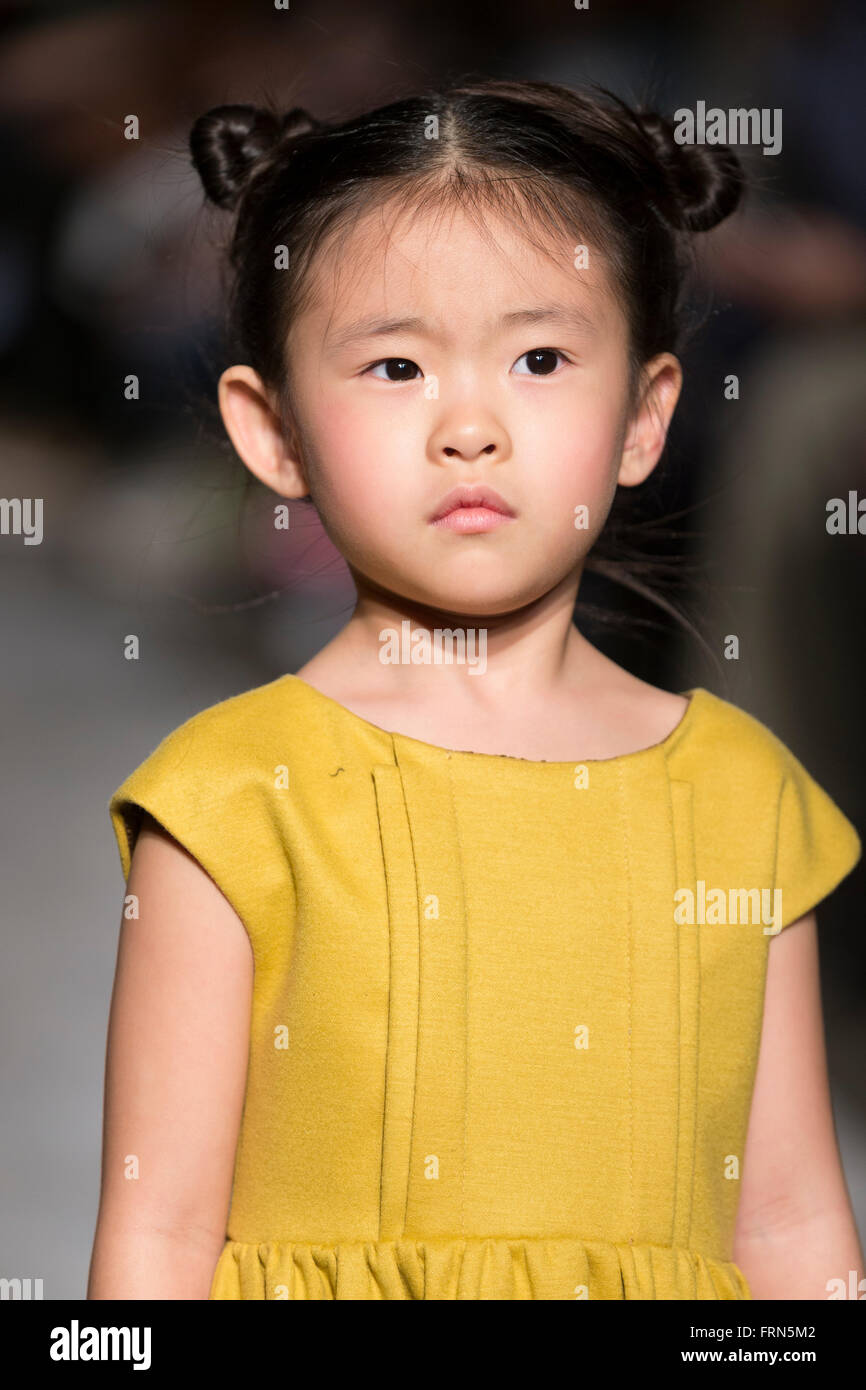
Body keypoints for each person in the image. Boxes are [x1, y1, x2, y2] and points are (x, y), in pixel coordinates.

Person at [88, 79, 863, 1300]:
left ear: (642, 417)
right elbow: (156, 1237)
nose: (469, 425)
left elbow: (783, 1226)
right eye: (395, 366)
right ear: (272, 428)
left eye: (540, 357)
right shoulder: (233, 800)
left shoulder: (745, 801)